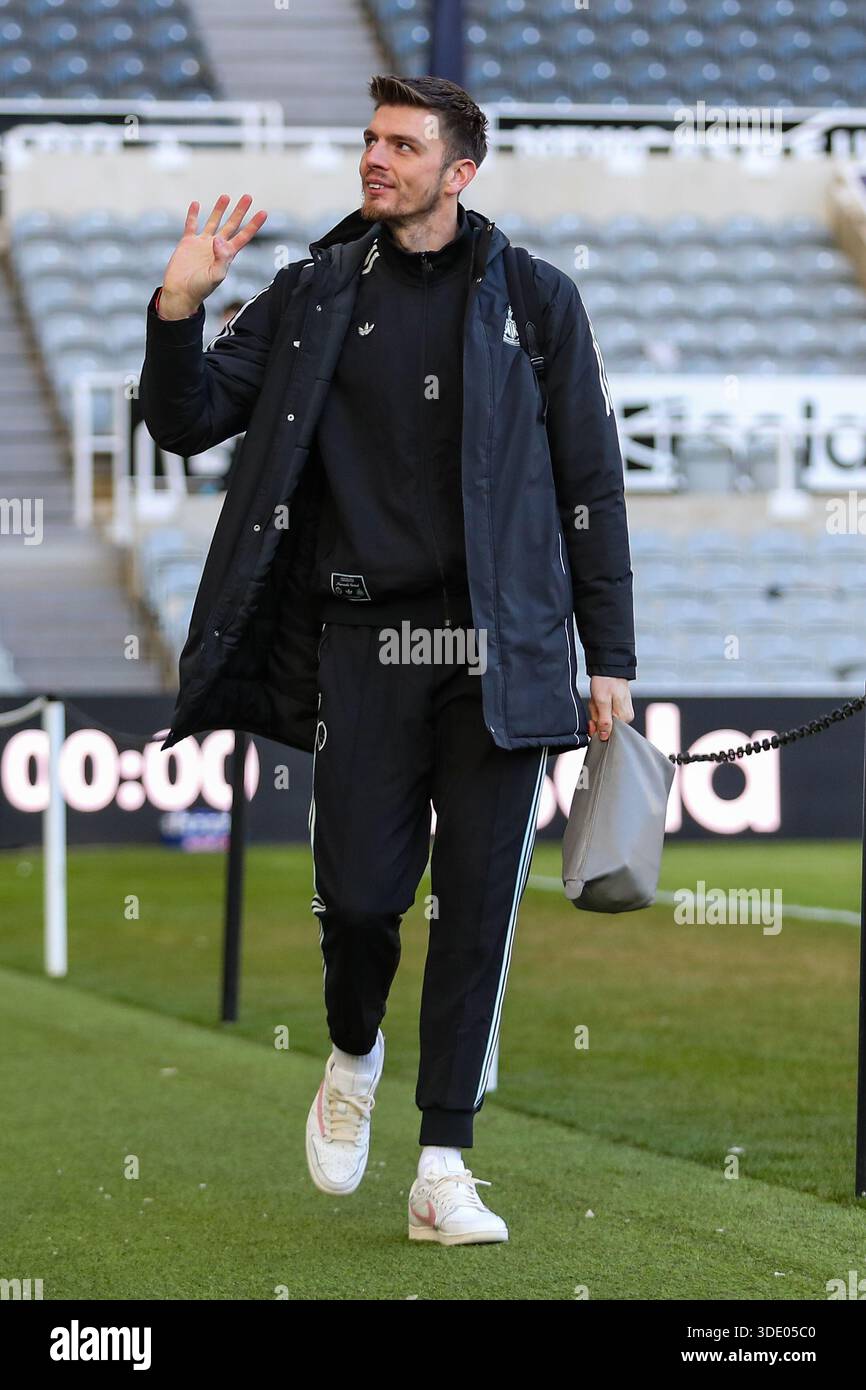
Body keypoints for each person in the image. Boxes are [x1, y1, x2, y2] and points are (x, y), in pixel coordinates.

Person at [140, 74, 636, 1247]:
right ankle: (351, 1051)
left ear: (458, 173)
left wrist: (606, 654)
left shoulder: (534, 298)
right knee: (361, 900)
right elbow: (187, 417)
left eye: (401, 144)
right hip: (360, 644)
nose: (375, 158)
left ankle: (443, 1166)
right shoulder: (311, 291)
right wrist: (176, 310)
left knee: (475, 914)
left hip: (502, 652)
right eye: (369, 139)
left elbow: (589, 484)